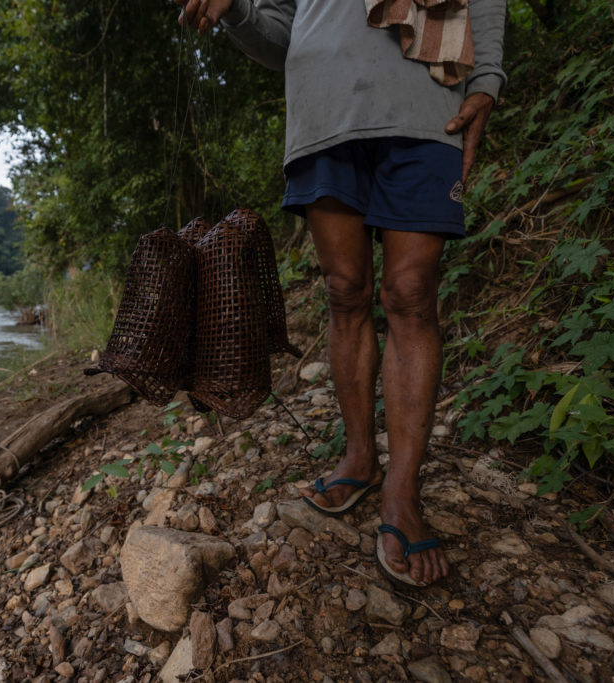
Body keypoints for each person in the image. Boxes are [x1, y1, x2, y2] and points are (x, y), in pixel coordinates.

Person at [175, 0, 506, 586]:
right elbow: (285, 35)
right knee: (344, 290)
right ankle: (360, 457)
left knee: (410, 292)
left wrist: (487, 79)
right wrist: (238, 13)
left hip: (426, 108)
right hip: (322, 114)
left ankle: (403, 495)